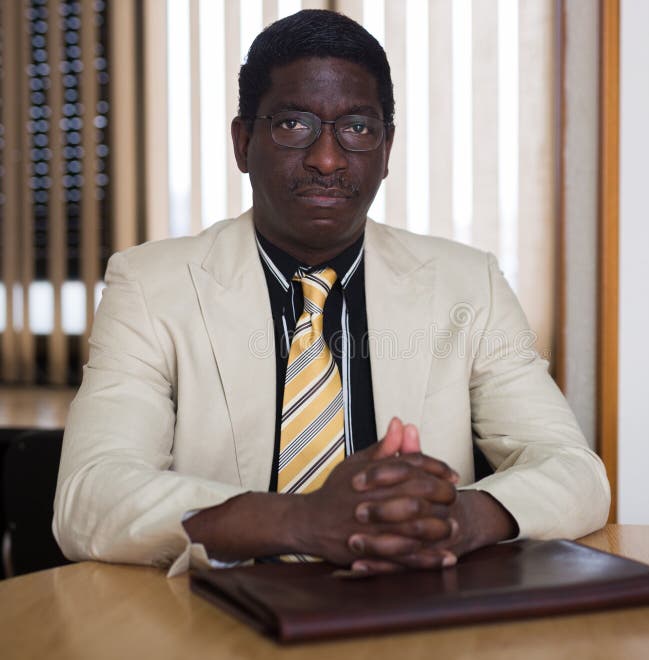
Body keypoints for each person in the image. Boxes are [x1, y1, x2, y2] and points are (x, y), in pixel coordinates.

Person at [53, 10, 609, 577]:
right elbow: (87, 497)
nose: (327, 158)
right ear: (243, 143)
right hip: (222, 618)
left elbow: (574, 470)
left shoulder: (469, 284)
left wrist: (460, 518)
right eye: (294, 125)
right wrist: (299, 522)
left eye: (358, 129)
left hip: (414, 610)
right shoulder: (151, 286)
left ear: (387, 150)